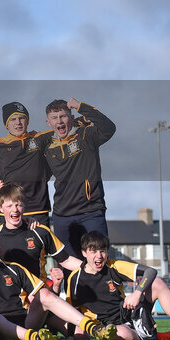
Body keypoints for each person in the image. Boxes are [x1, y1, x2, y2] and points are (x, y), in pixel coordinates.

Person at [0, 230, 116, 340]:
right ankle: (37, 338)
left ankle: (92, 328)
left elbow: (44, 296)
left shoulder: (15, 269)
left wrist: (56, 285)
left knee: (44, 294)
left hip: (26, 323)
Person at [67, 231, 170, 340]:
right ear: (84, 253)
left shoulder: (113, 266)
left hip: (131, 315)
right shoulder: (75, 278)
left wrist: (137, 293)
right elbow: (69, 310)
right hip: (106, 326)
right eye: (93, 251)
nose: (99, 256)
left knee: (158, 283)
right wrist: (71, 336)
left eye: (102, 251)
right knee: (119, 333)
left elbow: (151, 271)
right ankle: (157, 335)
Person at [43, 98, 116, 255]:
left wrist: (80, 106)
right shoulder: (47, 148)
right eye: (54, 118)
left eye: (63, 116)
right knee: (71, 269)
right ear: (49, 123)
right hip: (62, 217)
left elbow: (108, 128)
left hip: (91, 212)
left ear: (72, 117)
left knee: (99, 261)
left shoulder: (86, 136)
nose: (59, 121)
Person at [0, 102, 54, 225]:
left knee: (41, 244)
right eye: (13, 119)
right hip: (8, 210)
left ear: (27, 121)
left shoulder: (39, 139)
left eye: (22, 118)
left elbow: (67, 126)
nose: (18, 122)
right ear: (6, 125)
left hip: (37, 210)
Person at [0, 183, 80, 282]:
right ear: (0, 208)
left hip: (39, 293)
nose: (15, 210)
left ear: (24, 206)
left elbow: (66, 260)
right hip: (9, 295)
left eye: (18, 205)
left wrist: (91, 268)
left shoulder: (40, 231)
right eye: (9, 206)